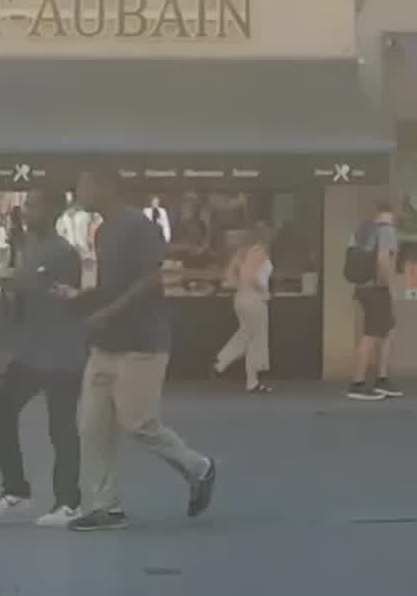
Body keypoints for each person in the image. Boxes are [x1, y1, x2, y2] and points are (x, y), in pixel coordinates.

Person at [68, 170, 217, 530]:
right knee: (91, 424)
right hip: (105, 346)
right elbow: (111, 286)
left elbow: (151, 279)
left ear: (105, 186)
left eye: (84, 184)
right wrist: (83, 299)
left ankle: (199, 467)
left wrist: (109, 311)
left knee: (138, 422)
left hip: (142, 344)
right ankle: (105, 506)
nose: (78, 192)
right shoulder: (101, 232)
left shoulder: (139, 226)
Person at [0, 196, 87, 526]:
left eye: (35, 206)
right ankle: (16, 491)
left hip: (62, 353)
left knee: (61, 425)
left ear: (52, 212)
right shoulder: (30, 248)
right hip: (32, 352)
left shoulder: (64, 252)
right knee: (1, 410)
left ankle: (68, 503)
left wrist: (19, 282)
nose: (27, 212)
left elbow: (64, 294)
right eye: (26, 206)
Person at [344, 202, 403, 400]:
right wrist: (386, 285)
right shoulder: (387, 231)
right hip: (377, 288)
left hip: (361, 287)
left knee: (386, 330)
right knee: (371, 334)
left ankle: (382, 378)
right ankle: (357, 383)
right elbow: (383, 261)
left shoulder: (362, 230)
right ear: (391, 214)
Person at [212, 222, 274, 392]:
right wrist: (263, 291)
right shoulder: (259, 251)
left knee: (250, 335)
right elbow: (250, 275)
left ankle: (251, 381)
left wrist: (239, 285)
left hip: (241, 298)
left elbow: (229, 274)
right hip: (255, 299)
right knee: (252, 335)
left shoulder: (241, 252)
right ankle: (222, 361)